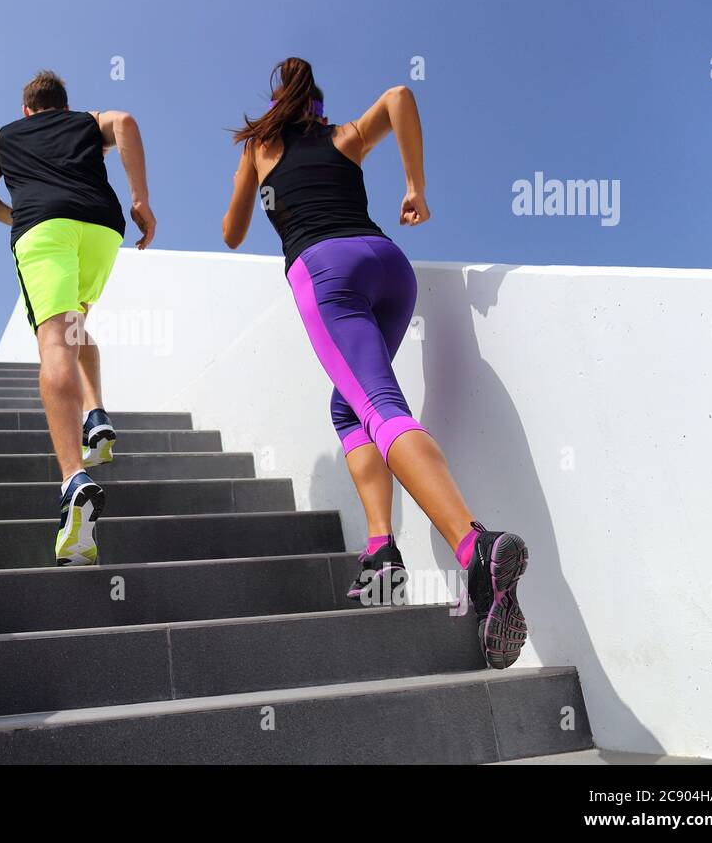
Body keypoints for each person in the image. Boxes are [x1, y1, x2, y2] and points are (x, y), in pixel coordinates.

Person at [221, 57, 529, 668]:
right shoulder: (346, 137)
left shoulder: (261, 145)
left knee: (380, 408)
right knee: (349, 408)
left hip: (326, 268)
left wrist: (254, 176)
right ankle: (382, 553)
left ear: (279, 105)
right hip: (389, 266)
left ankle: (475, 548)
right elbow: (399, 96)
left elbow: (232, 231)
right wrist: (414, 187)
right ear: (318, 107)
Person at [0, 70, 155, 566]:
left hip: (44, 227)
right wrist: (140, 200)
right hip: (101, 228)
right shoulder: (87, 121)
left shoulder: (3, 134)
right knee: (74, 324)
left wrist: (17, 214)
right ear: (63, 105)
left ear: (26, 109)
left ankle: (73, 478)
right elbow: (126, 122)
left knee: (54, 343)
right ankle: (96, 414)